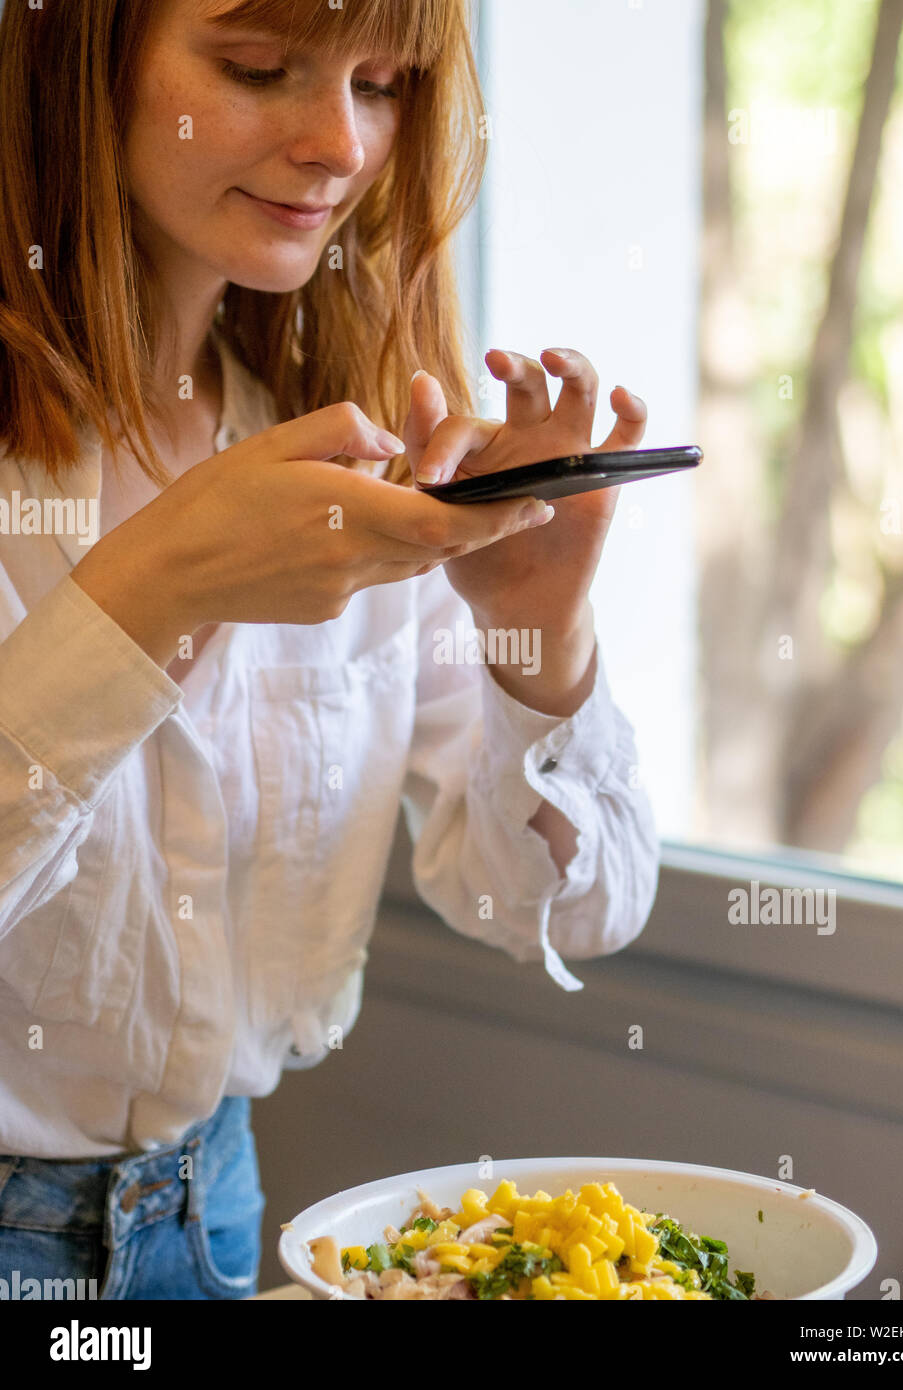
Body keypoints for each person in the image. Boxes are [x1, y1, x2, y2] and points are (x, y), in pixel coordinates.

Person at [0, 0, 660, 1299]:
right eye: (258, 68)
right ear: (74, 58)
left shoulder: (343, 454)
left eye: (386, 82)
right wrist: (155, 587)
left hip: (217, 1216)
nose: (340, 144)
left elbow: (561, 908)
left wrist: (538, 632)